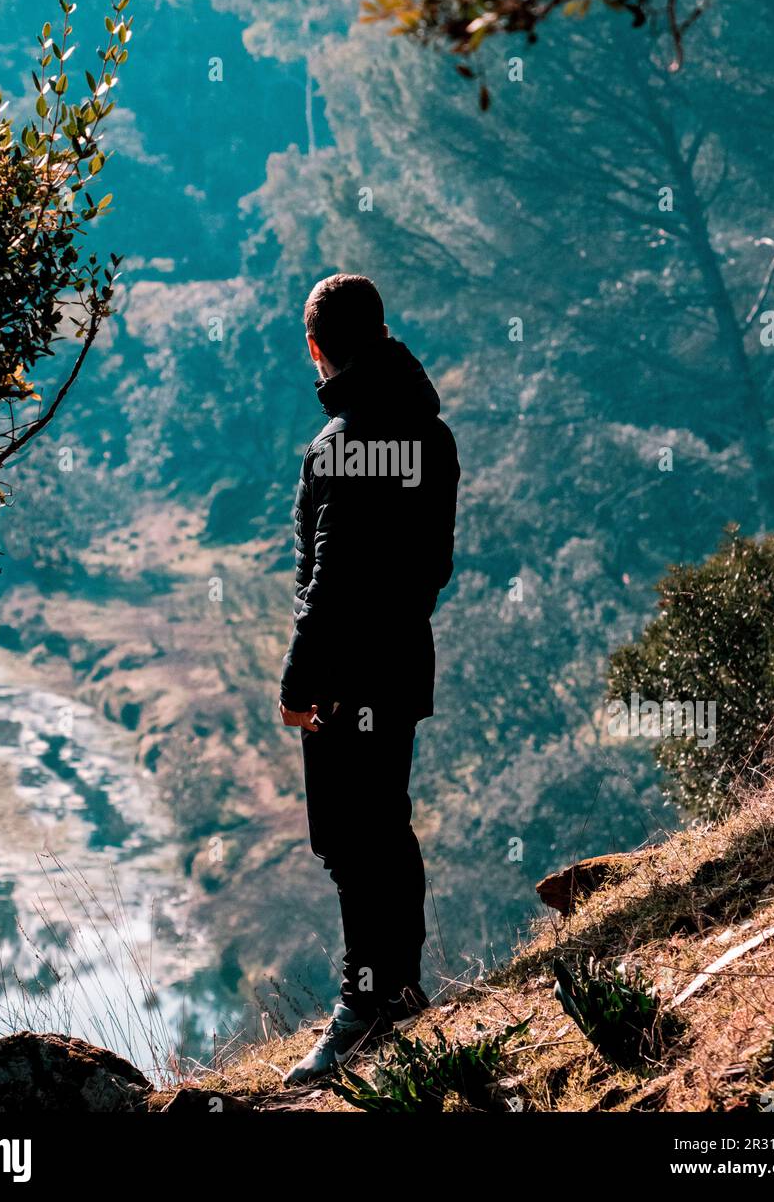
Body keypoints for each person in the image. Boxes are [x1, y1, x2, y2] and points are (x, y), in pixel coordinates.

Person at [278, 273, 459, 1085]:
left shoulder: (341, 444)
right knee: (385, 827)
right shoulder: (433, 435)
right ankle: (402, 990)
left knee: (347, 844)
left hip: (345, 677)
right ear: (381, 331)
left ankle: (360, 1010)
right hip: (402, 662)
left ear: (317, 348)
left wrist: (298, 680)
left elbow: (329, 579)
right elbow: (433, 567)